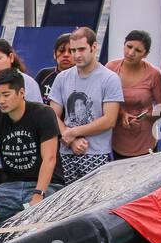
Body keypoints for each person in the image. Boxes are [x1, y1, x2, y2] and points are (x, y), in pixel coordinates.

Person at [0, 70, 62, 226]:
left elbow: (49, 158)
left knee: (31, 224)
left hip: (47, 185)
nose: (1, 100)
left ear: (22, 92)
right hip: (11, 186)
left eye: (6, 94)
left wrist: (38, 195)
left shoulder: (44, 113)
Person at [48, 27, 123, 184]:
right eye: (73, 50)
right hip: (67, 151)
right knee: (70, 202)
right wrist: (70, 138)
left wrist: (73, 132)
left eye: (81, 49)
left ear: (94, 47)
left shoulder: (109, 78)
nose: (76, 55)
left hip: (97, 152)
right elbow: (51, 114)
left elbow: (109, 120)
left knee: (96, 201)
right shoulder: (62, 78)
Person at [105, 29, 161, 159]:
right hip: (118, 140)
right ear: (124, 45)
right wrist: (122, 114)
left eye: (138, 51)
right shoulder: (111, 68)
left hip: (145, 141)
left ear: (146, 54)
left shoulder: (154, 74)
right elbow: (103, 100)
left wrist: (144, 116)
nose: (131, 53)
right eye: (129, 47)